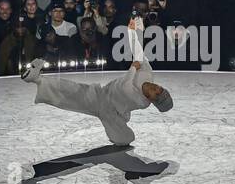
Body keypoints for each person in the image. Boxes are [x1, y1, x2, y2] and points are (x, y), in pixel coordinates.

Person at [23, 16, 173, 146]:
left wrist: (134, 67)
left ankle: (117, 119)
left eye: (156, 94)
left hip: (110, 111)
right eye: (160, 88)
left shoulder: (142, 102)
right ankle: (37, 79)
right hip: (101, 97)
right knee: (71, 91)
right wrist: (133, 31)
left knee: (127, 139)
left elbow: (125, 85)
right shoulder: (147, 73)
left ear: (151, 100)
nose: (156, 88)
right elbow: (138, 52)